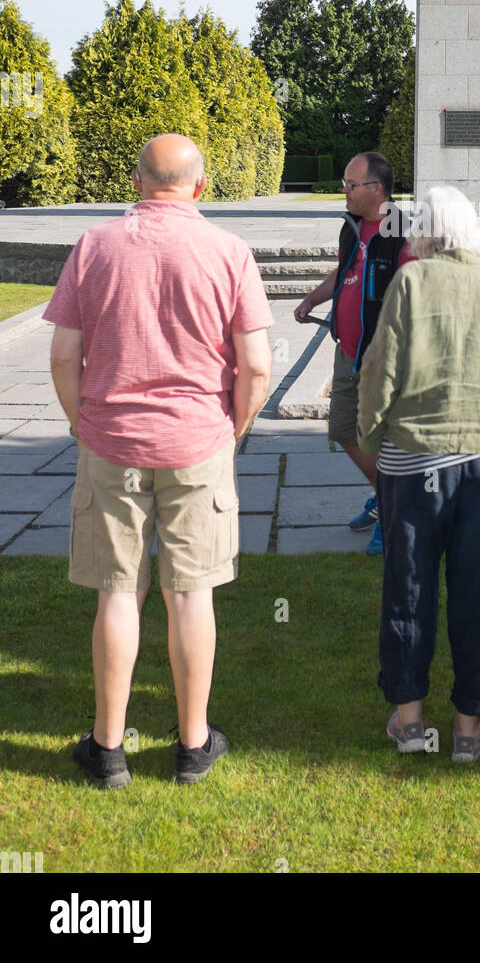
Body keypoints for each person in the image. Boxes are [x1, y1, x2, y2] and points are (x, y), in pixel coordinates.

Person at [45, 135, 273, 787]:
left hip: (111, 440)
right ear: (200, 187)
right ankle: (193, 746)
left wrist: (80, 422)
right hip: (198, 442)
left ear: (137, 182)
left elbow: (64, 355)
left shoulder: (94, 246)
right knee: (188, 592)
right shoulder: (229, 252)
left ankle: (107, 748)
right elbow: (256, 364)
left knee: (118, 592)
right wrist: (233, 430)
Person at [357, 185, 480, 762]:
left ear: (423, 232)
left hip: (414, 459)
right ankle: (469, 727)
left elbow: (379, 370)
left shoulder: (411, 283)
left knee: (409, 585)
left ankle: (410, 721)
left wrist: (369, 435)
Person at [294, 152, 413, 555]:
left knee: (383, 436)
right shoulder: (352, 226)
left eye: (351, 184)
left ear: (377, 189)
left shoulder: (404, 230)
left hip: (384, 356)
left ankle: (395, 507)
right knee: (345, 431)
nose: (343, 190)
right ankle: (389, 498)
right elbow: (344, 269)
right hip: (347, 350)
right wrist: (313, 297)